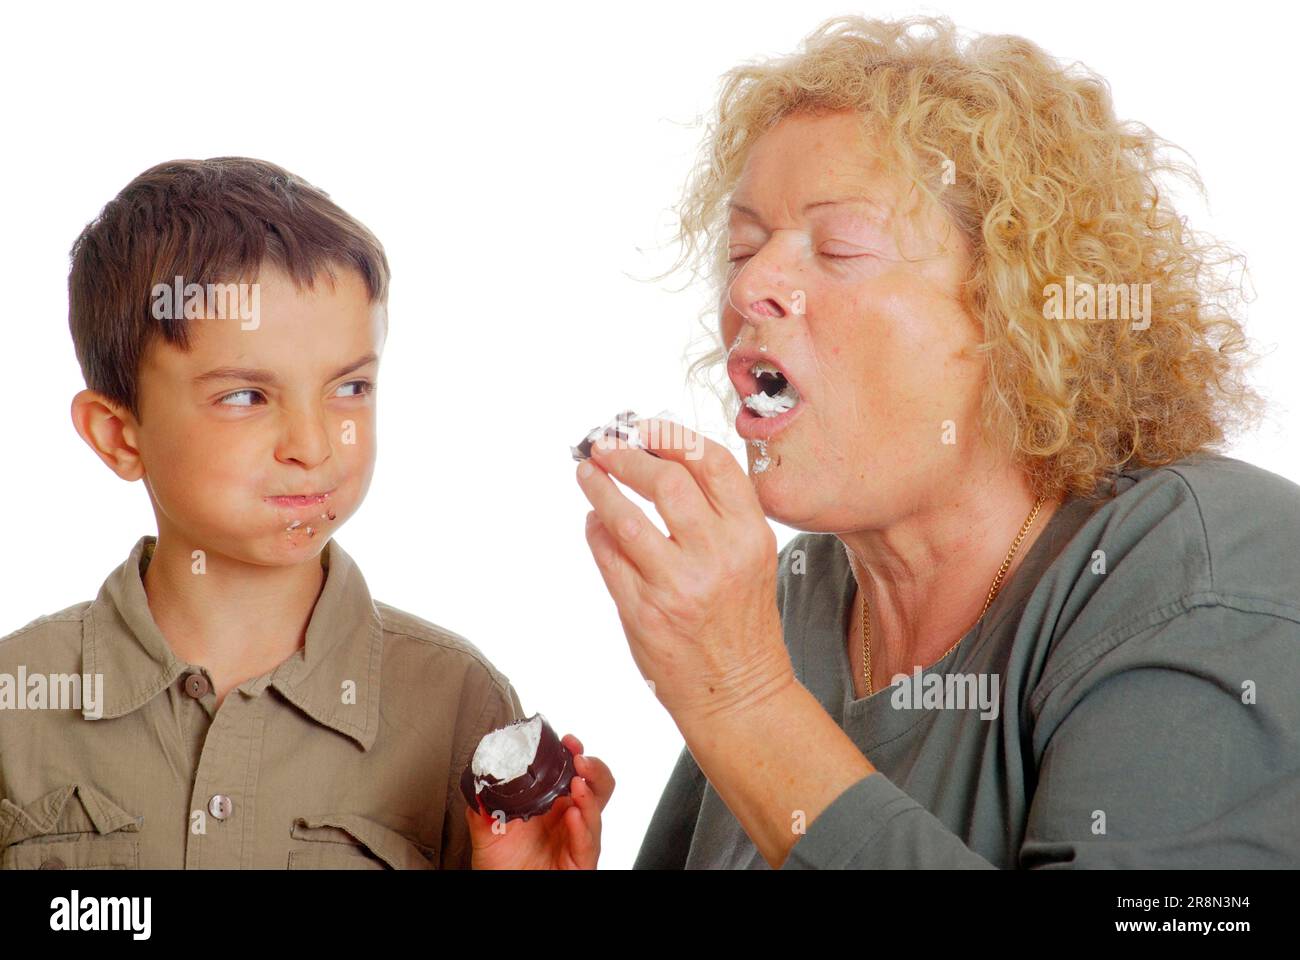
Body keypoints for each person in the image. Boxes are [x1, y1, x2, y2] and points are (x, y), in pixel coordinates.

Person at [576, 15, 1300, 868]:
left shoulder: (1209, 569)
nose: (753, 285)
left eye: (837, 248)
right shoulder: (800, 597)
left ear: (1018, 313)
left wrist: (742, 698)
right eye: (744, 247)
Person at [0, 158, 612, 870]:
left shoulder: (457, 706)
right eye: (246, 397)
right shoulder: (19, 699)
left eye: (350, 387)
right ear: (119, 434)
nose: (314, 444)